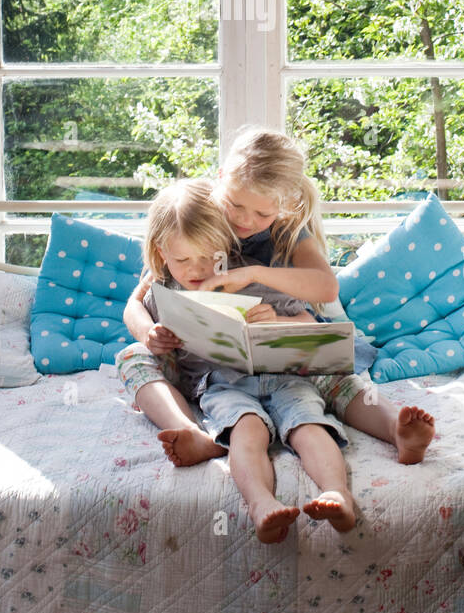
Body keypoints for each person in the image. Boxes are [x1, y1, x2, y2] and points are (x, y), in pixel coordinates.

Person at [116, 178, 359, 542]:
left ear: (227, 248)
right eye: (183, 259)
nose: (197, 270)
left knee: (310, 424)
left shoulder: (246, 277)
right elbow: (134, 307)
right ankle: (262, 504)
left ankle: (338, 496)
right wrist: (150, 333)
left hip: (282, 377)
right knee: (246, 430)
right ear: (162, 253)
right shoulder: (164, 285)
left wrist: (276, 320)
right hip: (220, 385)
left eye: (210, 258)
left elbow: (310, 321)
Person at [203, 126, 435, 467]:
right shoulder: (200, 216)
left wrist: (252, 273)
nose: (245, 220)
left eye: (262, 214)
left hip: (288, 339)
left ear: (284, 205)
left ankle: (396, 430)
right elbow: (153, 283)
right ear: (220, 177)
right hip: (226, 351)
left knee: (339, 381)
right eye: (235, 204)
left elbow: (326, 288)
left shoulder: (287, 229)